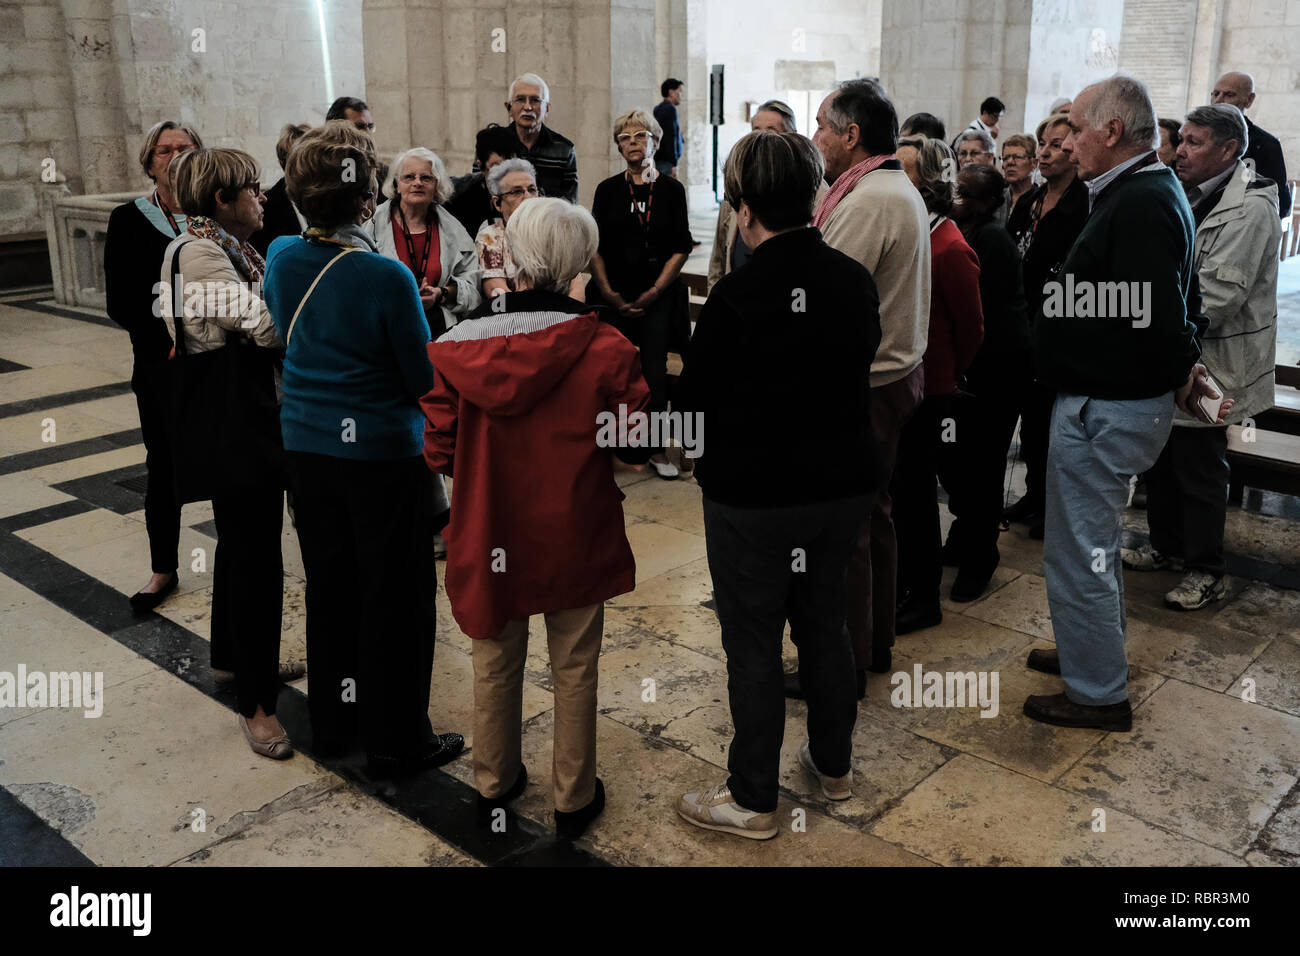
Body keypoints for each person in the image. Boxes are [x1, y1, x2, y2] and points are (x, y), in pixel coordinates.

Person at [421, 198, 650, 839]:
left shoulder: (456, 346)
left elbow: (437, 448)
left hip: (490, 527)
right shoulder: (607, 344)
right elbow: (632, 441)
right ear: (579, 264)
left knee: (494, 655)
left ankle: (494, 782)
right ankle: (573, 795)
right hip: (574, 527)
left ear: (513, 258)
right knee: (575, 662)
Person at [675, 130, 881, 841]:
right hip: (840, 487)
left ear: (742, 209)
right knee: (824, 621)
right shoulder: (851, 278)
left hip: (754, 499)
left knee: (754, 641)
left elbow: (693, 410)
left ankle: (754, 798)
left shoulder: (737, 294)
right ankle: (835, 765)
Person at [264, 120, 463, 776]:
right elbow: (420, 379)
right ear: (365, 196)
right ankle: (399, 740)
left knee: (331, 589)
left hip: (307, 454)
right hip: (380, 459)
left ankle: (336, 724)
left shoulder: (283, 259)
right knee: (397, 600)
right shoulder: (385, 277)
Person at [1024, 75, 1222, 732]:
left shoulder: (1138, 202)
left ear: (1111, 131)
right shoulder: (1142, 190)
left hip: (1104, 408)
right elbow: (1169, 306)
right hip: (1106, 400)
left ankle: (1098, 692)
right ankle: (1089, 653)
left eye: (1075, 127)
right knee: (1088, 546)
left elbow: (1160, 319)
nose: (1067, 140)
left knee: (1083, 550)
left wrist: (1179, 366)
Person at [1123, 104, 1280, 610]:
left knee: (1201, 466)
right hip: (1174, 351)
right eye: (1181, 139)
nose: (1180, 150)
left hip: (1218, 363)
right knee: (1163, 458)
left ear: (1229, 149)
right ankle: (1167, 548)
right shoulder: (1184, 190)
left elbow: (1220, 294)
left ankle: (1205, 568)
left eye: (1194, 142)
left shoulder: (1251, 208)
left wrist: (1148, 321)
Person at [164, 147, 290, 759]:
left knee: (242, 550)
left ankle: (231, 660)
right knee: (257, 560)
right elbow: (264, 326)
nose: (262, 197)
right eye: (253, 189)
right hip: (234, 426)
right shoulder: (197, 254)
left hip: (239, 420)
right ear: (221, 200)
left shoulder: (221, 247)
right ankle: (259, 706)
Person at [804, 78, 929, 689]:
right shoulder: (885, 186)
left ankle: (841, 662)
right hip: (891, 375)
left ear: (852, 135)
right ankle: (875, 644)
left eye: (824, 125)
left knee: (842, 529)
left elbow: (830, 300)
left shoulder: (870, 199)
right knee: (873, 514)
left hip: (866, 383)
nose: (815, 136)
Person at [104, 120, 201, 615]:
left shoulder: (217, 210)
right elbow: (120, 300)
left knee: (227, 461)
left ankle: (238, 565)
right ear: (150, 163)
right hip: (160, 364)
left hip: (217, 365)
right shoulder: (129, 219)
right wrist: (170, 334)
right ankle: (163, 566)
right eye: (165, 150)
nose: (175, 155)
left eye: (185, 147)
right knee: (163, 465)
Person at [892, 135, 984, 633]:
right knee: (900, 494)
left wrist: (945, 376)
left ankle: (923, 598)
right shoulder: (914, 233)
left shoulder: (949, 245)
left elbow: (972, 329)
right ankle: (903, 583)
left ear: (927, 183)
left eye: (902, 171)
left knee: (917, 499)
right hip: (908, 384)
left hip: (933, 392)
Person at [588, 108, 694, 480]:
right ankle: (615, 444)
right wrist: (608, 291)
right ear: (619, 146)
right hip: (613, 295)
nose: (633, 143)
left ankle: (655, 449)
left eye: (641, 135)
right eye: (625, 138)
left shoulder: (671, 190)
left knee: (654, 374)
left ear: (656, 141)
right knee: (610, 371)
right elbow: (595, 247)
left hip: (658, 296)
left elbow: (681, 247)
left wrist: (654, 291)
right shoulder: (607, 190)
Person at [943, 164, 1029, 601]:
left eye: (965, 192)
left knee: (982, 466)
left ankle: (981, 558)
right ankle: (964, 539)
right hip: (975, 368)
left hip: (995, 372)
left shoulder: (991, 239)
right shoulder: (966, 231)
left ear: (988, 202)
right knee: (962, 464)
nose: (956, 197)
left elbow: (981, 313)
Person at [1002, 112, 1089, 539]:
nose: (1047, 152)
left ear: (1075, 150)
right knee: (1031, 424)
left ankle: (1054, 506)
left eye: (1057, 144)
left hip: (1059, 327)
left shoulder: (1084, 203)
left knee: (1054, 425)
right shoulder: (1030, 200)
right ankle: (1034, 495)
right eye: (1044, 143)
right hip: (1023, 322)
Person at [365, 147, 482, 336]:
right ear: (397, 184)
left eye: (426, 178)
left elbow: (473, 287)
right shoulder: (371, 225)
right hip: (385, 331)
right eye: (409, 177)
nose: (417, 183)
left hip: (440, 332)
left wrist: (441, 293)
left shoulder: (455, 230)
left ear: (437, 185)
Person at [708, 99, 799, 291]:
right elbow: (718, 260)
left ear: (790, 136)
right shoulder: (735, 189)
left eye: (771, 130)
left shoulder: (805, 191)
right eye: (756, 129)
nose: (762, 137)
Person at [475, 157, 584, 300]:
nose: (528, 197)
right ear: (497, 203)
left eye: (532, 190)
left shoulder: (554, 229)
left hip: (563, 315)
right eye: (516, 192)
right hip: (514, 316)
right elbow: (496, 292)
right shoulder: (491, 236)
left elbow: (576, 285)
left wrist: (567, 318)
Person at [1210, 71, 1290, 218]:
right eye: (1215, 94)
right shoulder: (1196, 137)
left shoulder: (1266, 144)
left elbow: (1281, 204)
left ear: (1249, 100)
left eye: (1229, 95)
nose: (1218, 101)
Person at [503, 73, 578, 203]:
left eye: (535, 100)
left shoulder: (563, 149)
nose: (527, 107)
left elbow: (569, 204)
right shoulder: (491, 145)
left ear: (547, 108)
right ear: (509, 107)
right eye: (520, 99)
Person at [445, 125, 517, 239]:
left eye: (510, 165)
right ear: (481, 166)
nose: (504, 173)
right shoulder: (461, 196)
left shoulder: (528, 191)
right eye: (496, 167)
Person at [249, 123, 309, 258]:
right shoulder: (266, 207)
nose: (309, 165)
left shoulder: (330, 201)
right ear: (285, 162)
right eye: (300, 158)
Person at [654, 78, 684, 178]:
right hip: (666, 163)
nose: (681, 96)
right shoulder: (670, 109)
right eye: (679, 92)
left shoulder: (659, 108)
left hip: (661, 160)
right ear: (671, 92)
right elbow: (670, 138)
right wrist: (673, 163)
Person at [1001, 133, 1038, 208]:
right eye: (1006, 158)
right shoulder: (995, 200)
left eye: (1017, 157)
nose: (1010, 162)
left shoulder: (1041, 200)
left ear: (1034, 163)